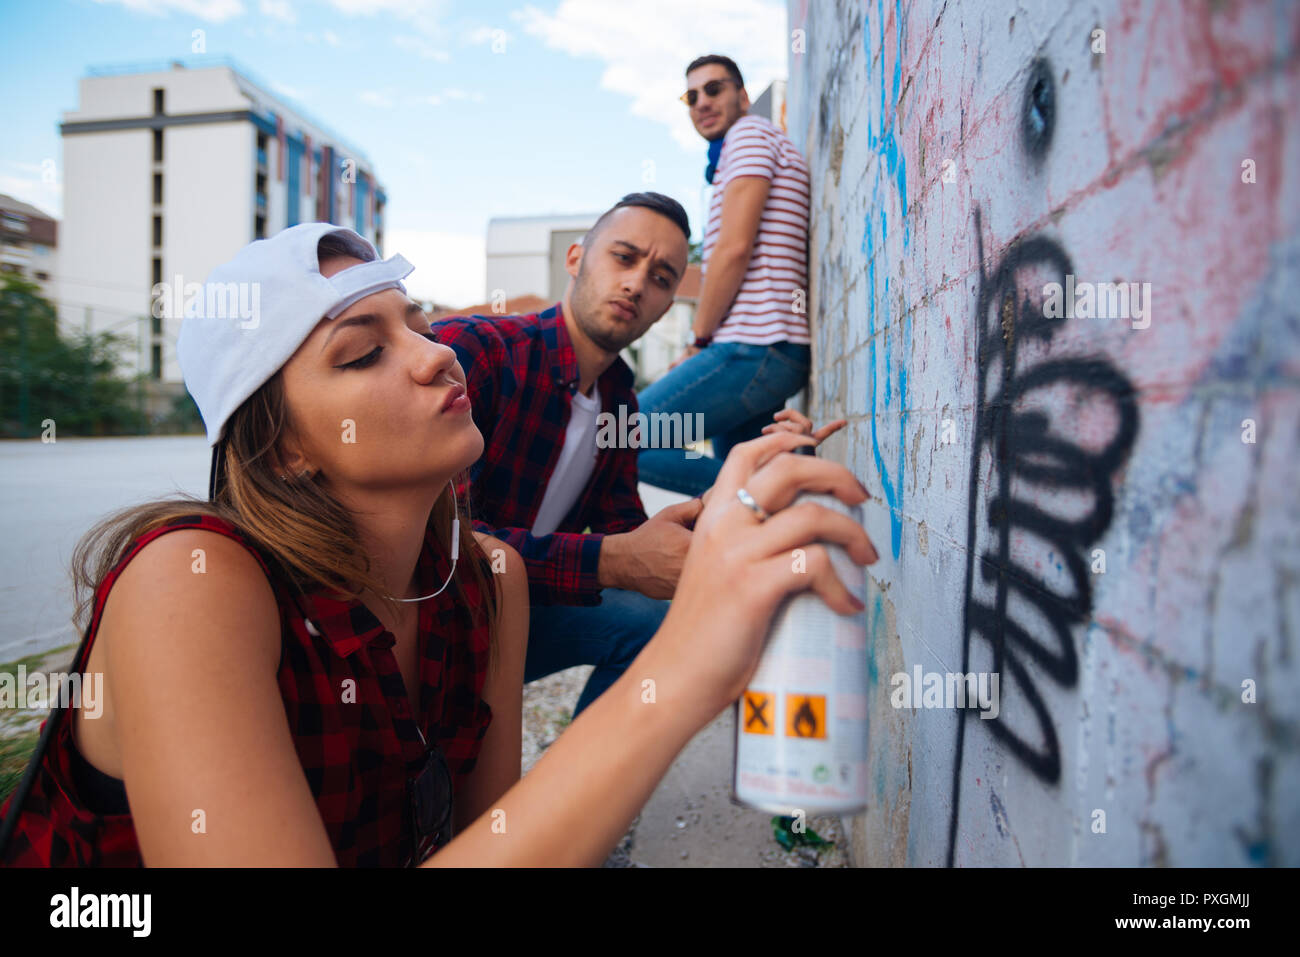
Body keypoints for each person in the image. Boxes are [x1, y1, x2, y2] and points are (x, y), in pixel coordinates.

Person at [0, 222, 878, 868]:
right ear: (283, 448)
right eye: (360, 354)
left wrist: (726, 514)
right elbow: (611, 558)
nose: (432, 357)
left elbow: (481, 839)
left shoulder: (491, 576)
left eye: (414, 325)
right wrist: (687, 663)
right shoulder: (188, 580)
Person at [430, 192, 695, 716]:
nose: (637, 283)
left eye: (661, 278)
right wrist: (611, 562)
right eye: (624, 257)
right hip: (426, 624)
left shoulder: (619, 397)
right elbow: (437, 546)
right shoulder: (476, 351)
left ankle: (588, 792)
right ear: (576, 259)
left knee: (659, 618)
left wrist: (738, 496)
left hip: (513, 616)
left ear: (668, 305)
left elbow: (626, 531)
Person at [637, 54, 816, 497]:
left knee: (622, 437)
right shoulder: (741, 149)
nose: (701, 102)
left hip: (755, 347)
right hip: (762, 349)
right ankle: (768, 508)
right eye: (691, 96)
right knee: (743, 470)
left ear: (743, 96)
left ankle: (776, 499)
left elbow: (733, 251)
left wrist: (698, 340)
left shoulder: (749, 135)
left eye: (714, 89)